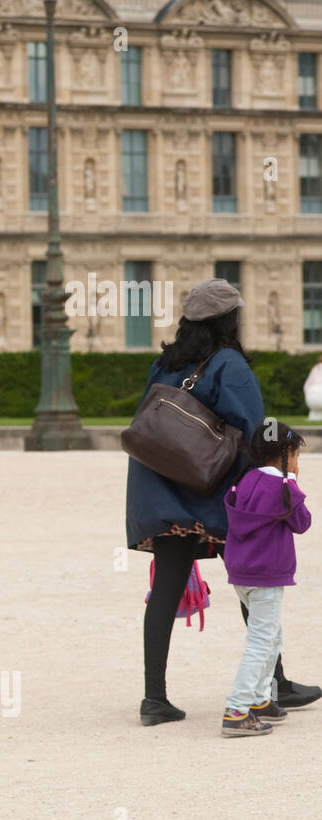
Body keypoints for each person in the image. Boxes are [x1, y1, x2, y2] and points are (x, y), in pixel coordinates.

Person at [126, 278, 320, 726]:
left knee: (167, 588)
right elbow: (254, 434)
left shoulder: (165, 362)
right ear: (230, 320)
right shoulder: (229, 363)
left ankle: (154, 698)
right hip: (214, 489)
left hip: (161, 486)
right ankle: (275, 683)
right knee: (254, 580)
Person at [220, 423, 311, 736]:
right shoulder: (284, 488)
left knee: (271, 636)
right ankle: (236, 709)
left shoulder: (243, 480)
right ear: (286, 455)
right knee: (261, 642)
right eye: (297, 455)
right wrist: (294, 483)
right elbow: (303, 523)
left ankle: (260, 699)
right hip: (268, 575)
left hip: (242, 574)